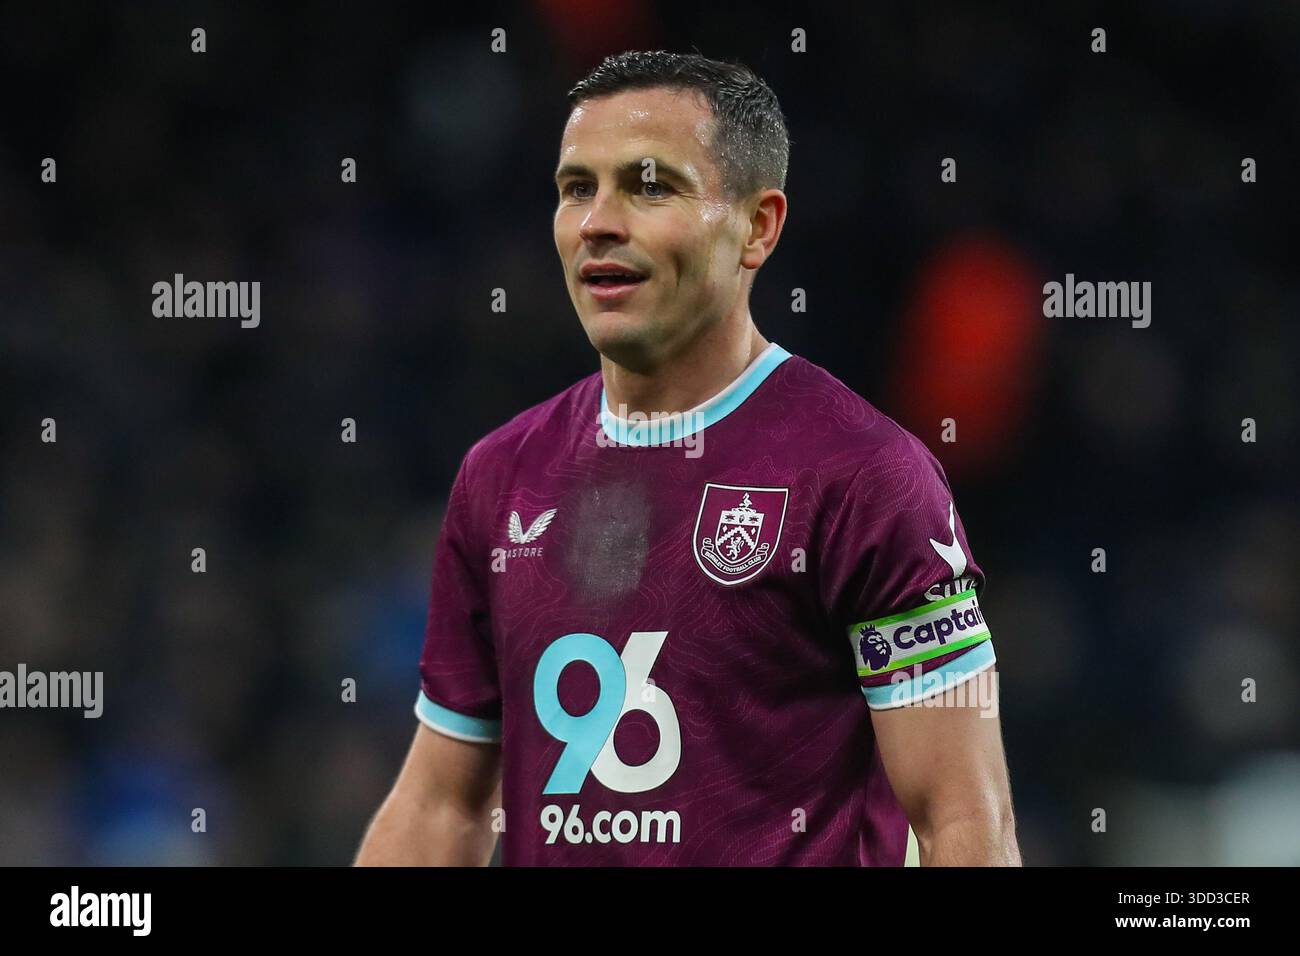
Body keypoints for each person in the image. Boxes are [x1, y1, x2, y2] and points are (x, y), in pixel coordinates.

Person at [356, 50, 1020, 866]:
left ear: (758, 226)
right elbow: (441, 809)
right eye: (576, 188)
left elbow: (964, 823)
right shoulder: (500, 477)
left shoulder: (864, 477)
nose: (598, 220)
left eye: (649, 185)